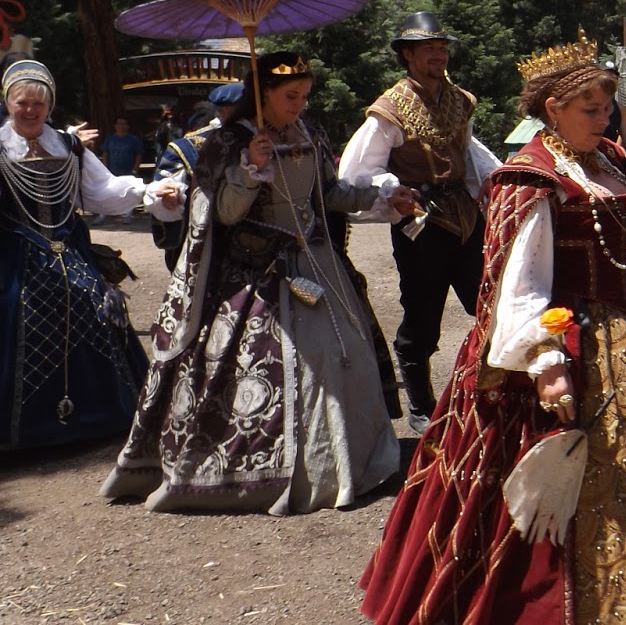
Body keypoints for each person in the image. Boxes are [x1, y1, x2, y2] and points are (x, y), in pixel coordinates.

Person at [360, 33, 626, 624]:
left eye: (606, 106)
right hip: (566, 342)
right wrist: (547, 365)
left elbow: (619, 234)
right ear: (552, 111)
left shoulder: (602, 161)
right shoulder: (530, 180)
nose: (604, 116)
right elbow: (519, 288)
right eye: (589, 108)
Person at [102, 52, 411, 513]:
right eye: (291, 96)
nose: (300, 105)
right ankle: (274, 471)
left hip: (316, 260)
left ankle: (349, 463)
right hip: (256, 275)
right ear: (263, 92)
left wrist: (382, 196)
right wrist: (248, 168)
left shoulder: (311, 132)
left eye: (305, 96)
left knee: (344, 355)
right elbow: (221, 214)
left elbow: (330, 194)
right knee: (286, 366)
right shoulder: (229, 141)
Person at [1, 61, 181, 451]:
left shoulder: (67, 146)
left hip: (69, 250)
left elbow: (102, 191)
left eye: (39, 104)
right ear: (7, 102)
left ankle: (100, 415)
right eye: (22, 102)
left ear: (50, 106)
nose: (30, 110)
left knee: (93, 305)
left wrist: (149, 191)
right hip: (14, 257)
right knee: (19, 313)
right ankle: (24, 428)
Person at [338, 12, 502, 433]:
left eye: (442, 47)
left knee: (489, 302)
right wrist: (390, 188)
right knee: (424, 315)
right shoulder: (389, 109)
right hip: (421, 222)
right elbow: (359, 169)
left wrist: (489, 184)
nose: (438, 54)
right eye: (429, 48)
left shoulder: (459, 99)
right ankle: (421, 402)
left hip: (466, 217)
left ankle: (497, 391)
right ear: (407, 55)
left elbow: (468, 151)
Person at [149, 82, 243, 271]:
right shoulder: (188, 147)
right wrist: (171, 194)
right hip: (209, 248)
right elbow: (164, 188)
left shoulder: (280, 141)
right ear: (223, 111)